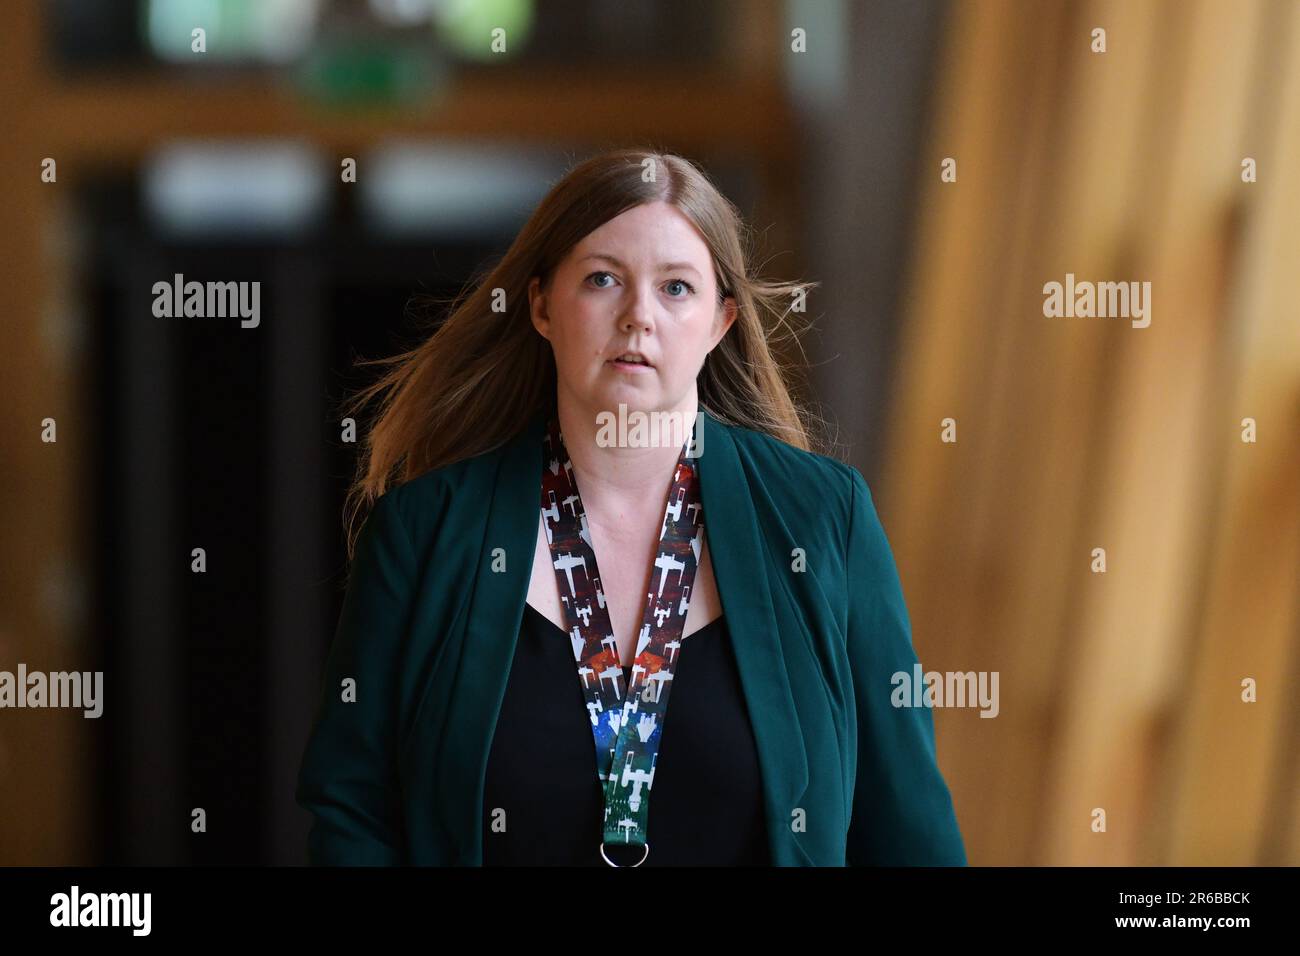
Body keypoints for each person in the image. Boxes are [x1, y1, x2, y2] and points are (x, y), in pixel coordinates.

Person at [295, 148, 967, 866]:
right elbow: (351, 809)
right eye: (602, 279)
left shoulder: (822, 522)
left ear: (720, 321)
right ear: (541, 305)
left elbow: (909, 833)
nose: (637, 316)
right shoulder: (426, 531)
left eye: (676, 287)